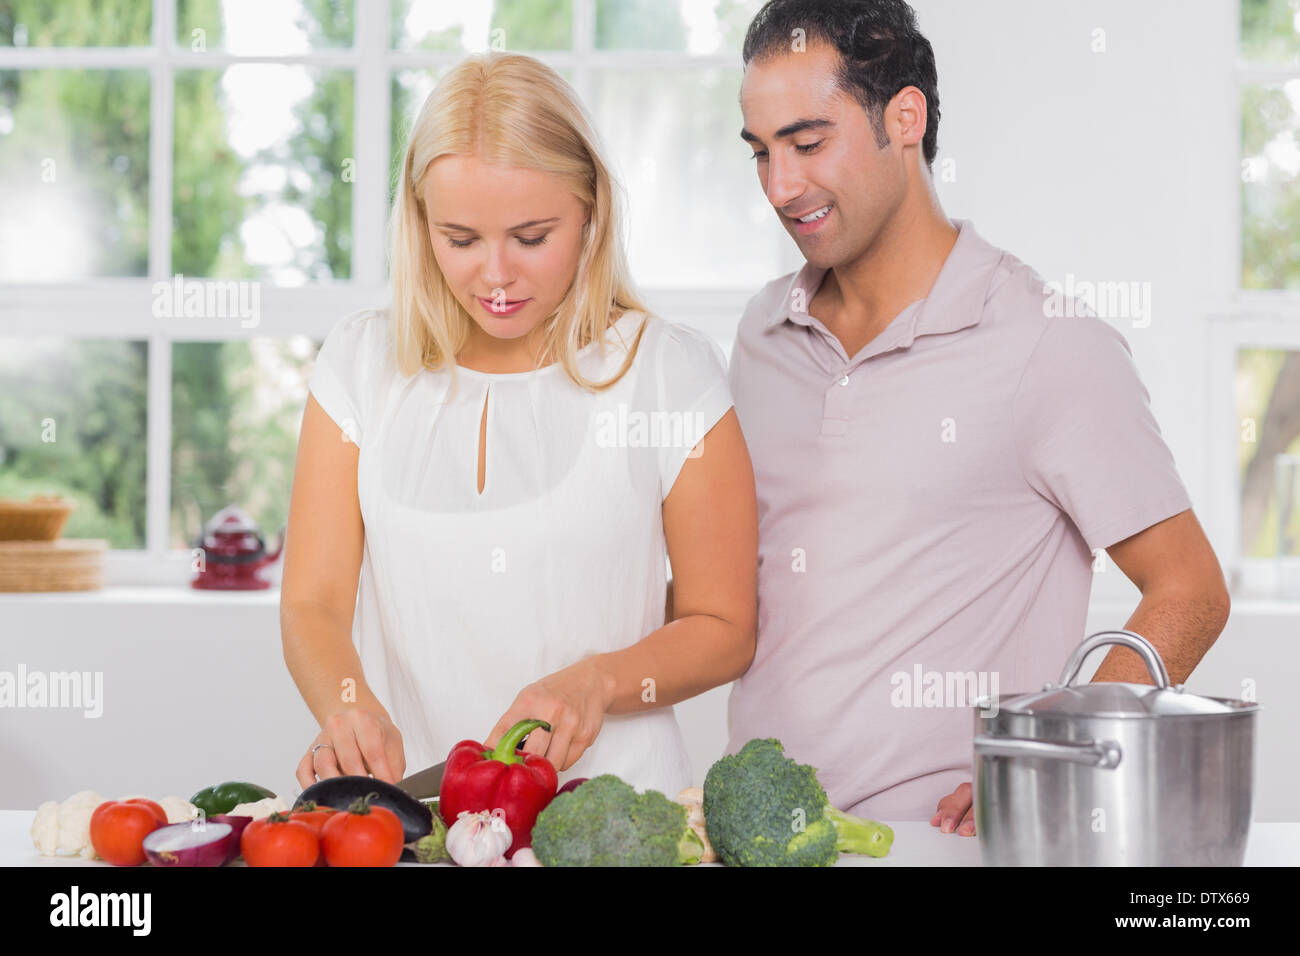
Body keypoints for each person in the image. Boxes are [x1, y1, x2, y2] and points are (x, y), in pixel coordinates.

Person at [724, 0, 1230, 834]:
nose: (781, 187)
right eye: (761, 153)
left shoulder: (1047, 343)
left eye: (809, 143)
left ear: (905, 117)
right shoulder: (763, 331)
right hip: (760, 839)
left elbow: (1191, 589)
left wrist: (1046, 758)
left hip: (942, 845)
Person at [281, 52, 758, 798]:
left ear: (591, 211)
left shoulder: (669, 372)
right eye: (460, 239)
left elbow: (724, 623)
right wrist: (351, 708)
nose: (495, 275)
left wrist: (597, 682)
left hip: (616, 820)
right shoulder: (362, 364)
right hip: (426, 817)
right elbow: (313, 601)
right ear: (419, 223)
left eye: (532, 237)